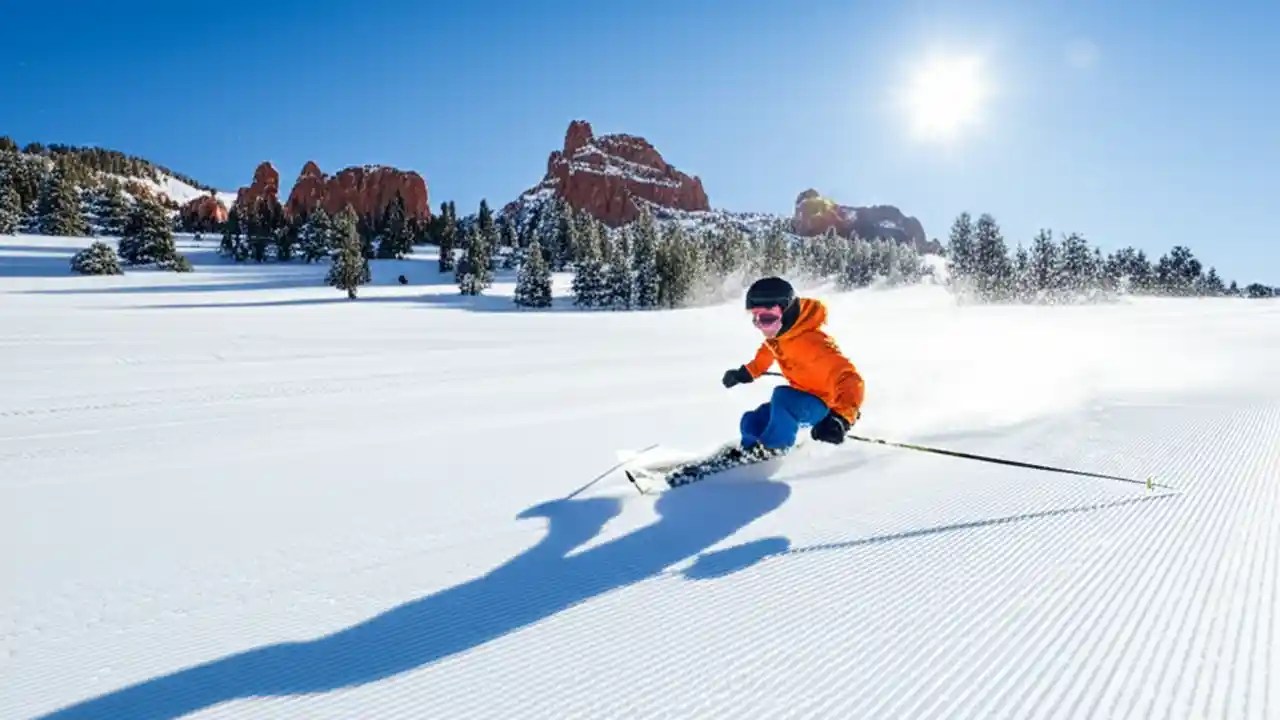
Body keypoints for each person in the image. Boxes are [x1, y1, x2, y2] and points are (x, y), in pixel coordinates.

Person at [721, 276, 865, 454]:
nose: (760, 325)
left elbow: (850, 379)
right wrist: (745, 373)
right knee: (752, 420)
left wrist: (841, 418)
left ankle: (774, 449)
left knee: (783, 398)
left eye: (766, 318)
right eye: (755, 318)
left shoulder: (814, 343)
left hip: (825, 407)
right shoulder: (780, 335)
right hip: (801, 399)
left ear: (787, 311)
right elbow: (767, 352)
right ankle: (748, 450)